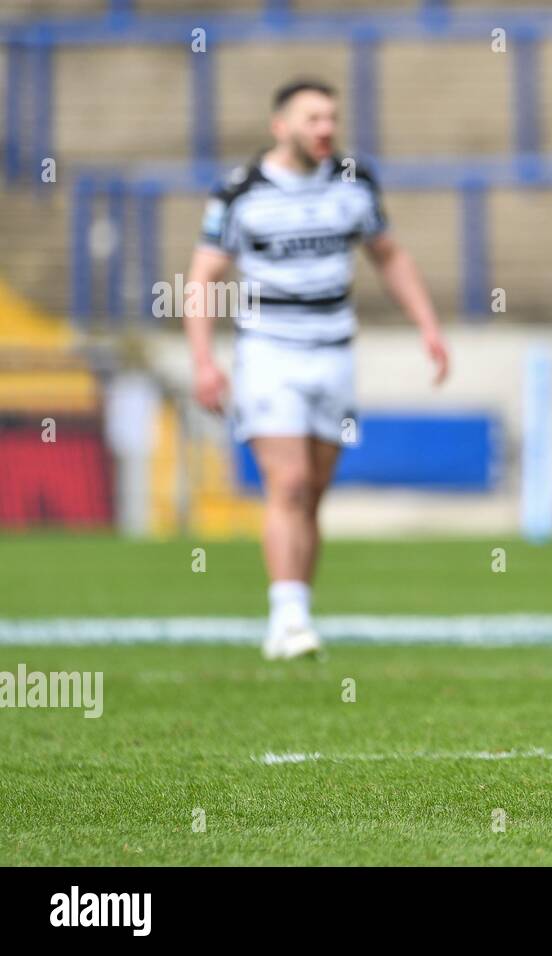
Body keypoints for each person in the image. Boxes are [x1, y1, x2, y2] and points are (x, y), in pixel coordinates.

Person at [183, 79, 450, 660]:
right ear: (281, 126)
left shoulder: (355, 181)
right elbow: (204, 277)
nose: (326, 128)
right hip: (268, 353)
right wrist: (203, 361)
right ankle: (288, 618)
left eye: (331, 117)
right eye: (313, 118)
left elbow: (388, 255)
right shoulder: (240, 190)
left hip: (334, 352)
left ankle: (295, 612)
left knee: (313, 493)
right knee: (290, 483)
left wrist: (428, 326)